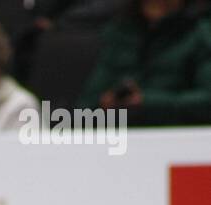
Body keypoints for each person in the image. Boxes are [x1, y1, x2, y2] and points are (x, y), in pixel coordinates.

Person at [78, 0, 211, 124]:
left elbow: (206, 101)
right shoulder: (120, 33)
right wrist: (106, 102)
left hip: (180, 134)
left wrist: (148, 101)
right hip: (120, 133)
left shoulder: (200, 34)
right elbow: (86, 103)